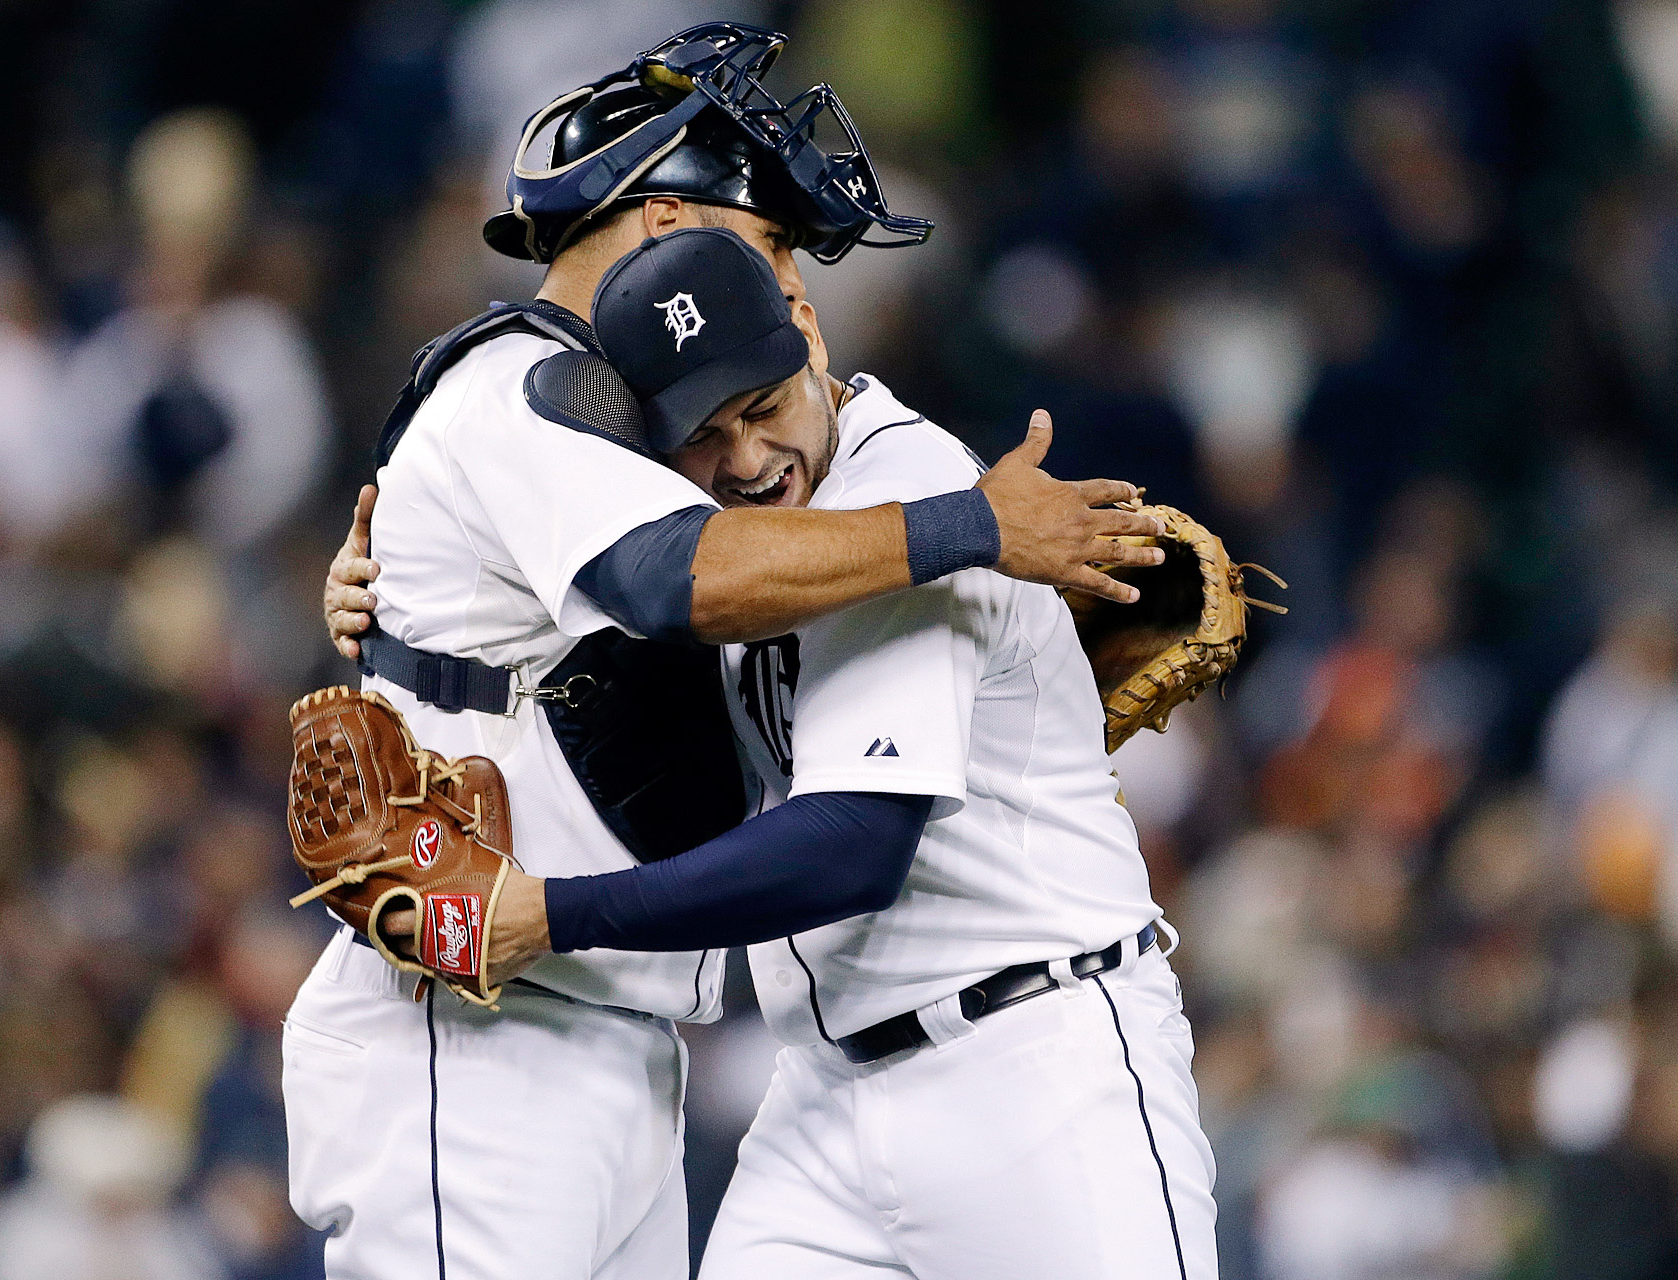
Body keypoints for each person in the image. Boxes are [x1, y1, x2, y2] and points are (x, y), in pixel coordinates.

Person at [286, 23, 1166, 1280]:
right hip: (483, 1036)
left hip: (625, 1042)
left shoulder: (668, 446)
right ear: (661, 241)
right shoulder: (528, 390)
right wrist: (976, 528)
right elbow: (666, 582)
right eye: (757, 237)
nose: (786, 274)